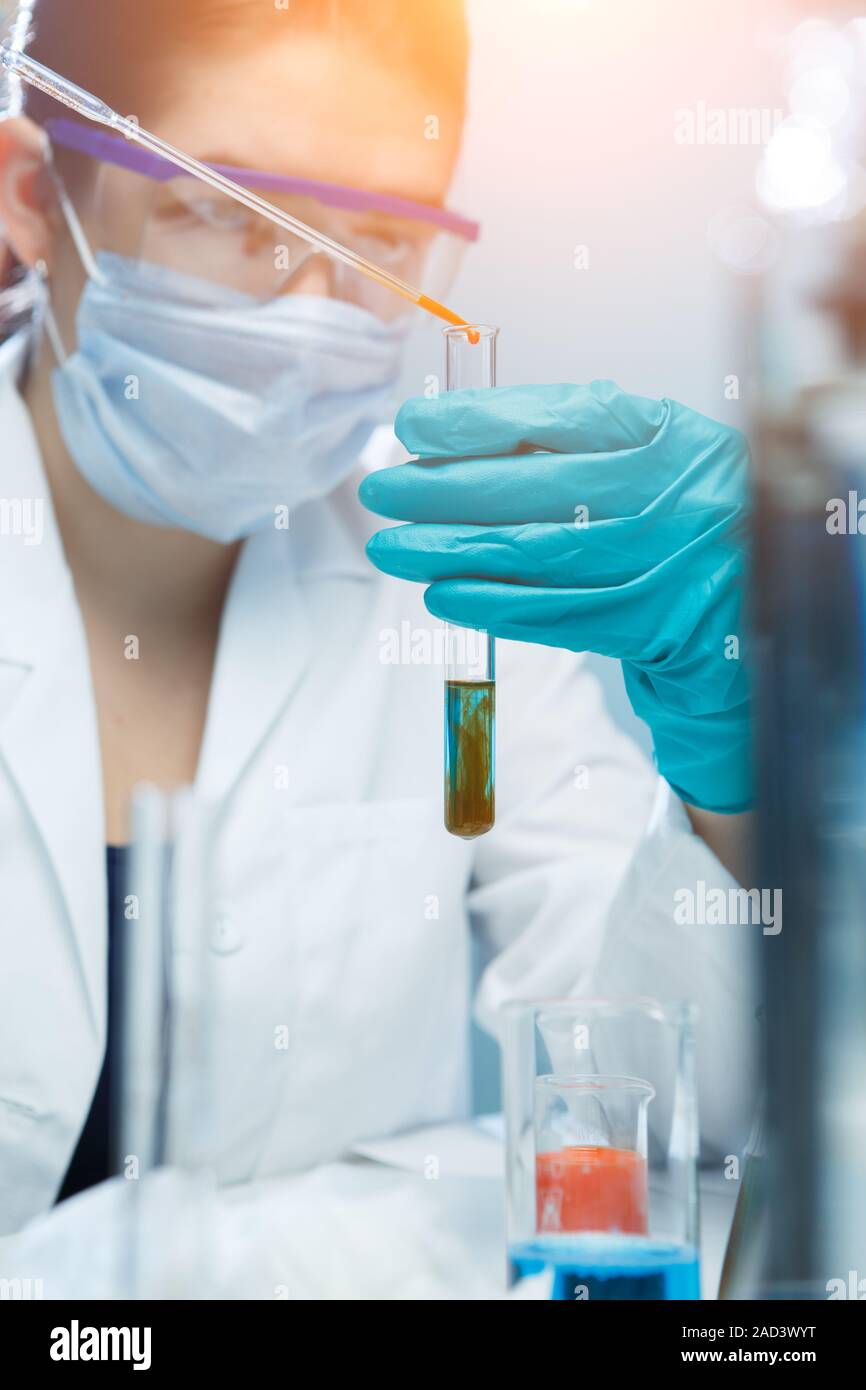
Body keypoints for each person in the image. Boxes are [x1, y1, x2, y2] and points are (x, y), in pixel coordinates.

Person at [0, 0, 755, 1292]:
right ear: (28, 192)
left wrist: (737, 776)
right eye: (228, 210)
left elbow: (657, 1135)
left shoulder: (451, 596)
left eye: (382, 239)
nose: (311, 308)